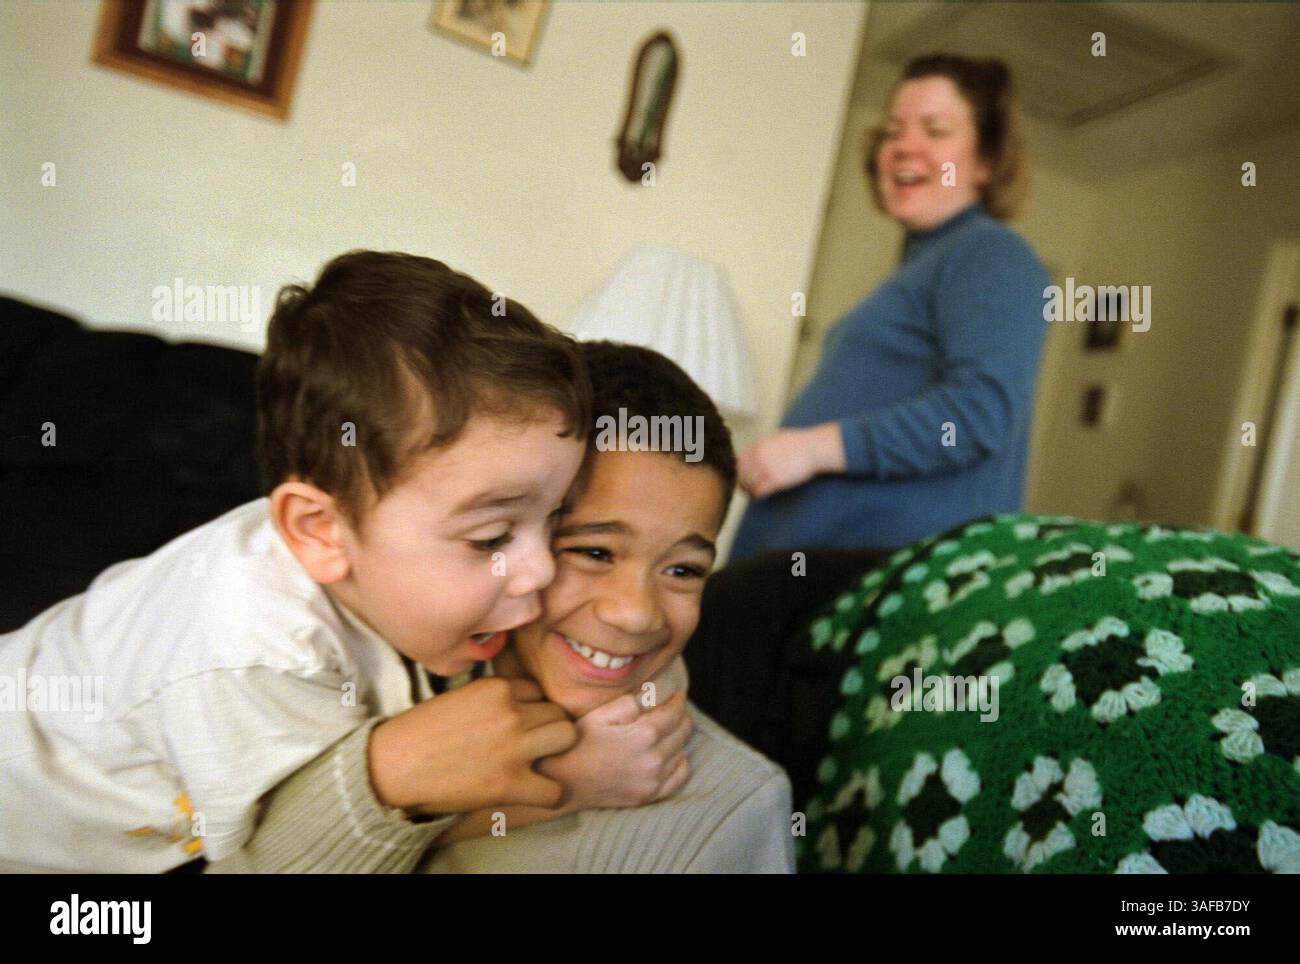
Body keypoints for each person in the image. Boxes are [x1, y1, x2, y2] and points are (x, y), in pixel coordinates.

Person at [0, 251, 629, 872]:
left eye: (555, 520)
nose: (542, 570)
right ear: (320, 531)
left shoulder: (381, 573)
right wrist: (564, 785)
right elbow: (281, 857)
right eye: (491, 538)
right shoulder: (260, 657)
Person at [209, 342, 796, 873]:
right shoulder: (341, 676)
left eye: (683, 570)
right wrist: (396, 774)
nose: (636, 614)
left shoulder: (733, 811)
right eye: (593, 551)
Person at [730, 54, 1050, 559]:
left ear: (986, 162)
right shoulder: (923, 268)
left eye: (935, 130)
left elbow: (979, 413)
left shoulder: (991, 252)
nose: (904, 145)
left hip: (883, 577)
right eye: (893, 130)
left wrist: (810, 450)